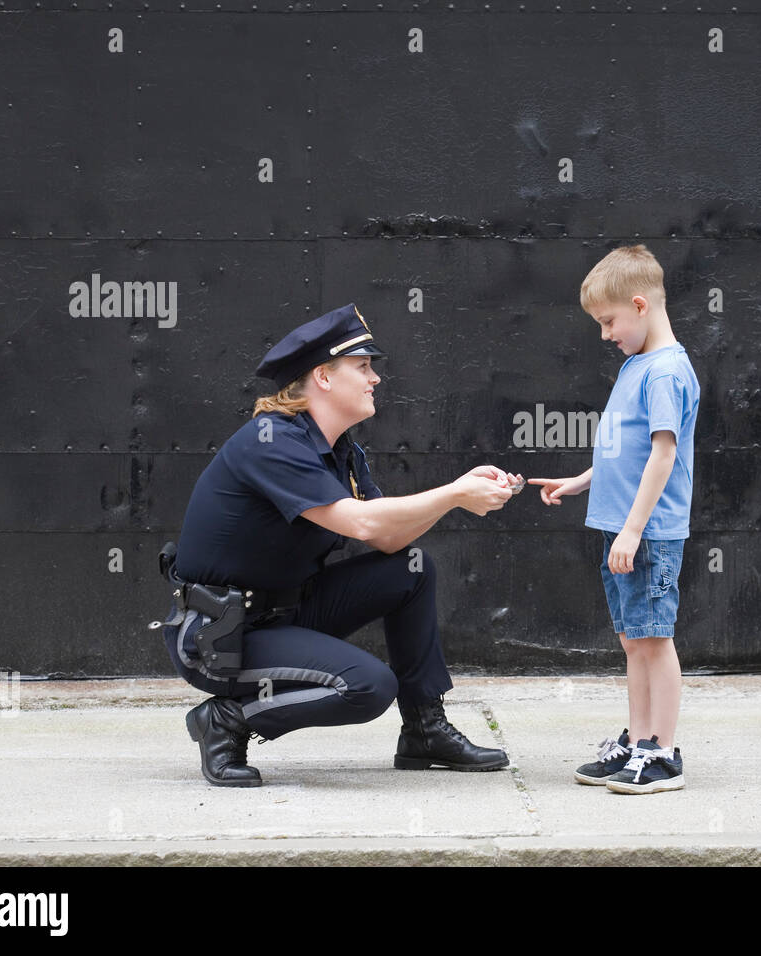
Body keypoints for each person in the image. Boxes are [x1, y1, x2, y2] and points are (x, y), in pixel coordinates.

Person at [152, 303, 522, 787]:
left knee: (411, 568)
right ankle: (225, 721)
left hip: (285, 614)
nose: (376, 379)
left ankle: (424, 731)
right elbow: (361, 524)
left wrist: (456, 496)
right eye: (363, 367)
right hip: (222, 637)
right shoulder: (271, 442)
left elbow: (388, 537)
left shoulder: (342, 450)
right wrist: (453, 494)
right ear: (323, 377)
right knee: (368, 686)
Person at [529, 245, 700, 794]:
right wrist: (578, 482)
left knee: (655, 638)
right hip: (620, 529)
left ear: (640, 304)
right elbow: (619, 449)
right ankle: (638, 743)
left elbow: (663, 455)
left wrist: (632, 529)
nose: (605, 334)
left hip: (646, 534)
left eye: (609, 321)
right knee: (633, 640)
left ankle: (664, 754)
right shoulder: (635, 366)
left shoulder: (667, 371)